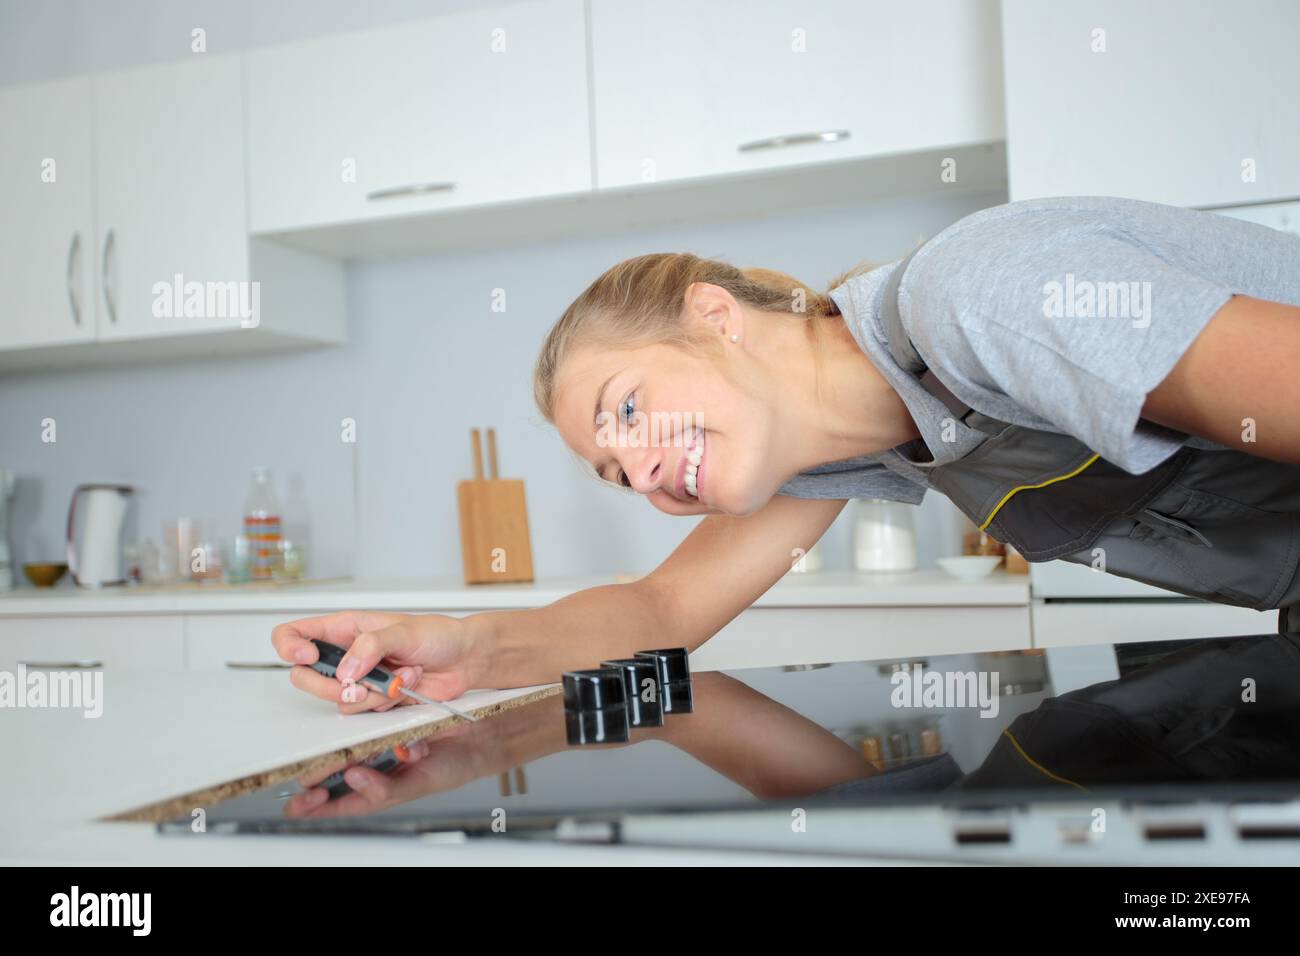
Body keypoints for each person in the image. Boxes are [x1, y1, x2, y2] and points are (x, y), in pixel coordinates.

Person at [273, 196, 1300, 714]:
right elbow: (660, 613)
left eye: (625, 408)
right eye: (611, 467)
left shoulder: (973, 299)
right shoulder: (840, 451)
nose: (637, 468)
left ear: (714, 317)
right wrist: (467, 647)